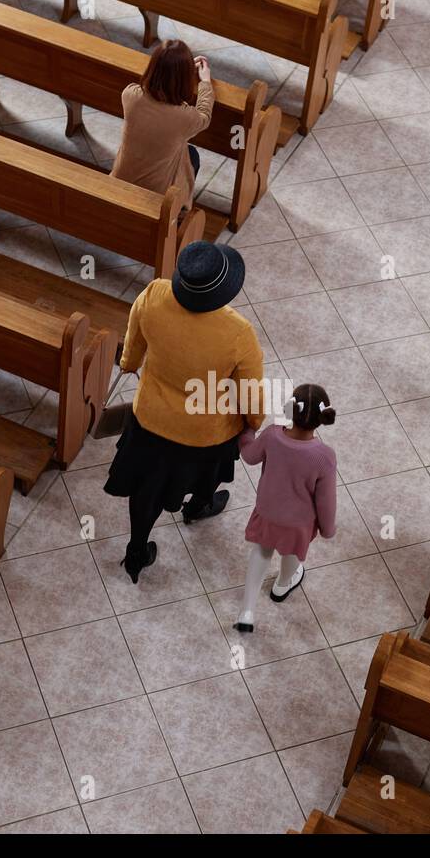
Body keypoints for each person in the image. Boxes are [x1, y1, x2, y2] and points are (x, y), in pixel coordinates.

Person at [104, 240, 264, 583]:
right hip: (205, 433)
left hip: (150, 419)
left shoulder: (154, 295)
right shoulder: (238, 333)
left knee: (146, 487)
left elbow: (132, 350)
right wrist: (253, 423)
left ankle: (136, 551)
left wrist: (130, 364)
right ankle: (197, 506)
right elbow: (250, 396)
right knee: (209, 472)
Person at [233, 384, 337, 633]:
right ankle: (282, 583)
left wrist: (246, 432)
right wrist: (328, 528)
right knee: (292, 553)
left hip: (268, 512)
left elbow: (249, 455)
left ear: (289, 409)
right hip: (298, 523)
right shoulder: (324, 456)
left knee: (262, 551)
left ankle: (247, 611)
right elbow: (326, 500)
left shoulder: (271, 436)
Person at [110, 39, 214, 210]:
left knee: (181, 149)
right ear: (184, 80)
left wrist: (177, 68)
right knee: (192, 155)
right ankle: (179, 214)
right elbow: (205, 115)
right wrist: (205, 82)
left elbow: (147, 86)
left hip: (121, 178)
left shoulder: (130, 95)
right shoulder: (184, 117)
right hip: (155, 196)